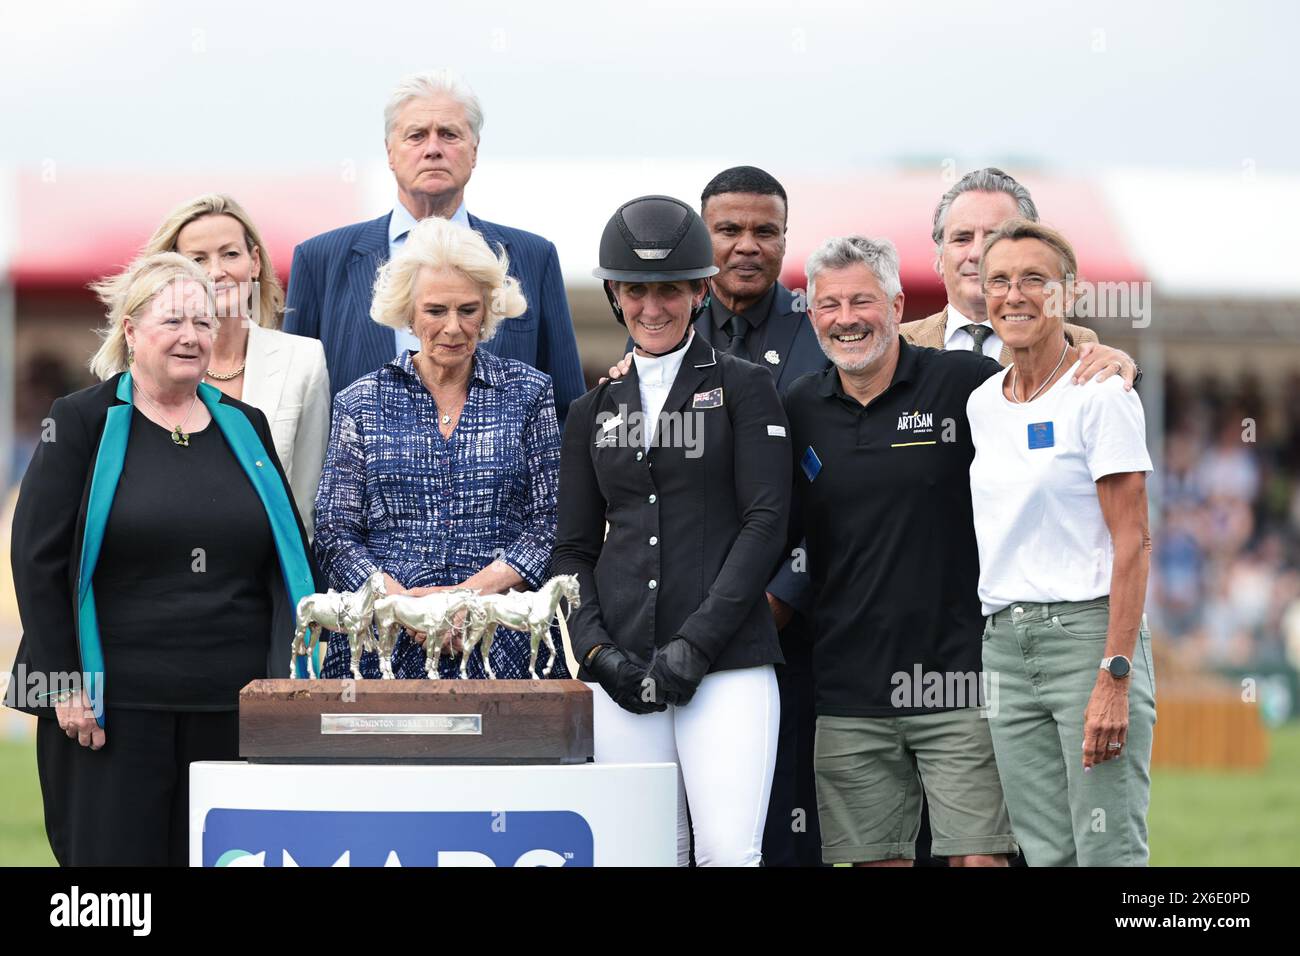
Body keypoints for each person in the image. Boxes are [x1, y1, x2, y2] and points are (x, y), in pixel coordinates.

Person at [7, 252, 318, 866]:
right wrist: (63, 683)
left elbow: (284, 555)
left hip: (233, 707)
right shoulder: (78, 421)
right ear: (130, 330)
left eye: (203, 322)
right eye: (173, 320)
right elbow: (37, 560)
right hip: (111, 713)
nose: (191, 336)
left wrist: (290, 684)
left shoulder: (246, 425)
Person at [553, 195, 791, 867]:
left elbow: (766, 523)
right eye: (636, 291)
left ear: (699, 293)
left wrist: (696, 644)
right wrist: (595, 651)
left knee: (727, 854)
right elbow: (572, 549)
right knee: (641, 855)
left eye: (669, 290)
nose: (652, 307)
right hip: (623, 664)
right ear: (614, 295)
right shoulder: (591, 410)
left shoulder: (745, 388)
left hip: (727, 662)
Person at [968, 219, 1156, 866]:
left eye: (1034, 279)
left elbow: (1134, 542)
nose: (1014, 294)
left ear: (1067, 294)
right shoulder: (981, 404)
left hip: (1087, 639)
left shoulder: (1102, 395)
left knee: (1107, 852)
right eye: (999, 280)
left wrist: (1115, 673)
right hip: (1004, 645)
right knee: (1046, 854)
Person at [313, 216, 567, 681]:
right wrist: (403, 607)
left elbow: (550, 524)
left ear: (487, 313)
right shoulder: (360, 400)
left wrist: (466, 599)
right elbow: (334, 532)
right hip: (383, 642)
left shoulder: (528, 392)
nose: (453, 327)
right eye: (435, 311)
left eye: (468, 310)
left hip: (502, 641)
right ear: (408, 314)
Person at [284, 69, 585, 423]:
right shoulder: (319, 261)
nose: (432, 149)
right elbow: (295, 410)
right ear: (390, 152)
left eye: (449, 134)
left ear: (474, 150)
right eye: (416, 135)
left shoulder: (534, 257)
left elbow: (566, 410)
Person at [143, 194, 330, 535]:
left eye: (230, 254)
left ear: (254, 261)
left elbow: (306, 505)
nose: (217, 272)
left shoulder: (304, 359)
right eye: (198, 259)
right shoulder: (144, 367)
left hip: (268, 563)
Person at [902, 167, 1138, 382]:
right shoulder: (898, 343)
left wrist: (1123, 369)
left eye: (994, 238)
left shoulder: (1077, 343)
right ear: (940, 259)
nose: (977, 253)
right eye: (962, 238)